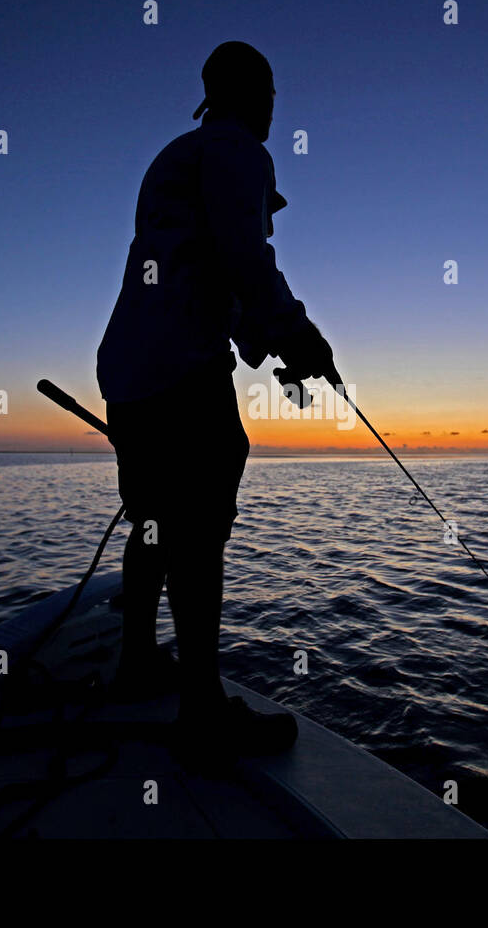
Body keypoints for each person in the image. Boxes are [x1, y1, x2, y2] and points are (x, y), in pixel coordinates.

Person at [96, 41, 339, 764]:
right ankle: (201, 712)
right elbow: (244, 258)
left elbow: (213, 281)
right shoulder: (237, 150)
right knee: (197, 528)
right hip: (180, 370)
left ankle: (138, 662)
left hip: (130, 371)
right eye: (269, 94)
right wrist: (303, 336)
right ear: (252, 94)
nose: (272, 107)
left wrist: (275, 354)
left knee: (150, 521)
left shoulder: (177, 157)